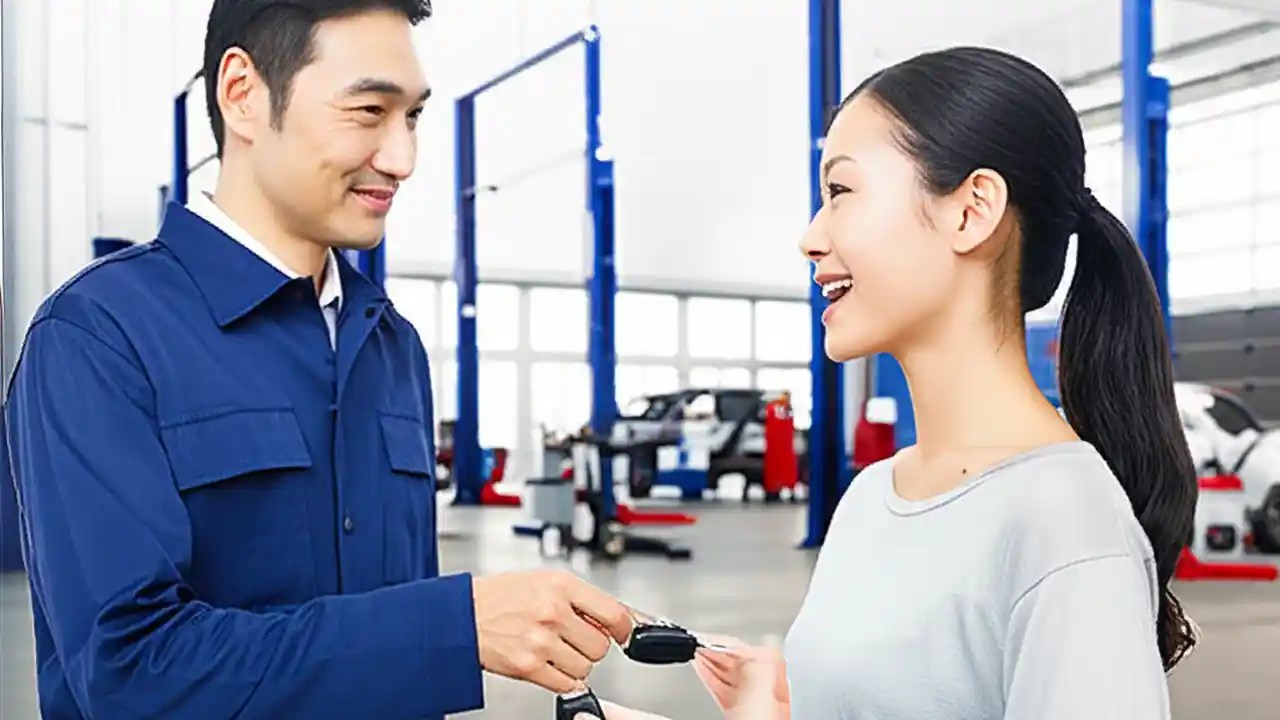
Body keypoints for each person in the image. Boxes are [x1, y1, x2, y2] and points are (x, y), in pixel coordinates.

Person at [3, 2, 632, 718]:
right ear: (243, 93)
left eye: (414, 117)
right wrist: (450, 627)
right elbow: (129, 674)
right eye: (368, 111)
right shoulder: (99, 336)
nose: (403, 158)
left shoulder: (391, 343)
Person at [608, 45, 1199, 720]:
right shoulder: (872, 497)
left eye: (840, 192)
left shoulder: (1064, 522)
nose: (810, 237)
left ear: (971, 211)